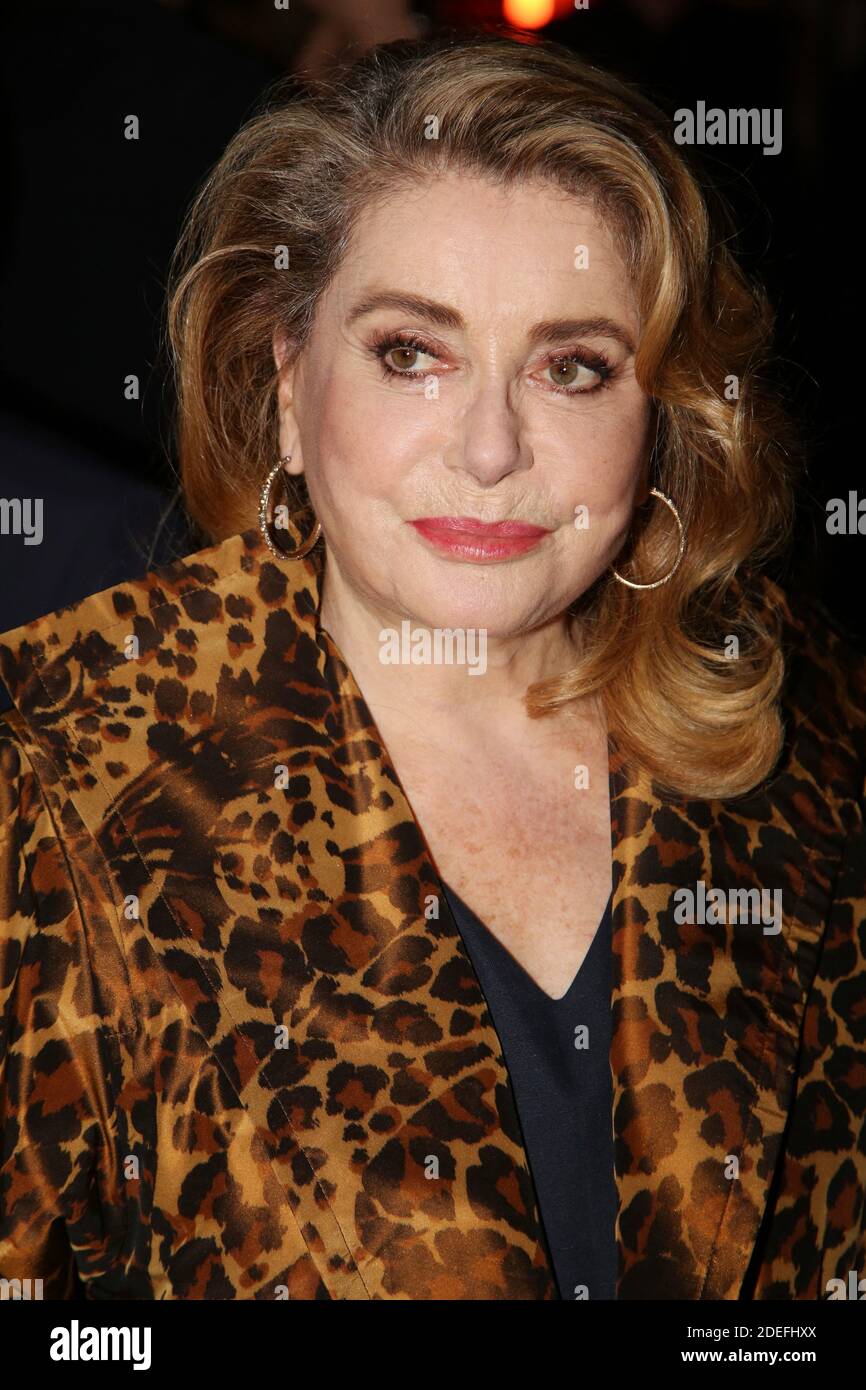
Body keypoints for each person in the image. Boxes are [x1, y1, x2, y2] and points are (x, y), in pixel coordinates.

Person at [0, 32, 864, 1303]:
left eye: (571, 368)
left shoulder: (812, 727)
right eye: (412, 352)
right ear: (287, 384)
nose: (491, 447)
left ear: (660, 418)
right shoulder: (55, 772)